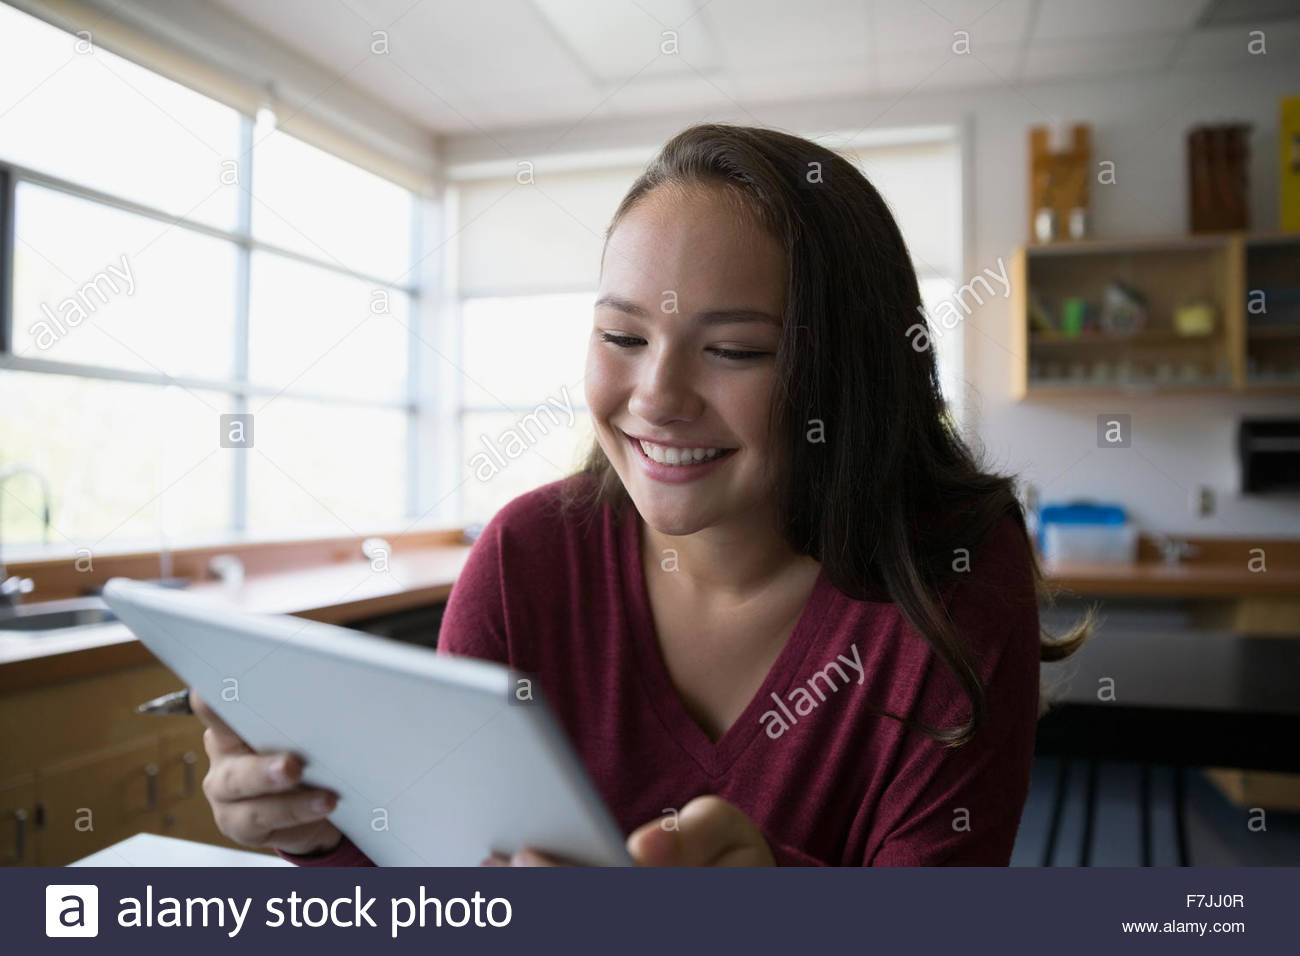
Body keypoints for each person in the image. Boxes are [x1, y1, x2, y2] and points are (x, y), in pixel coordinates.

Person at [193, 122, 1091, 867]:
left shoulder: (954, 575)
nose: (656, 398)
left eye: (735, 349)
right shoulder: (525, 559)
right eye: (622, 334)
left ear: (849, 374)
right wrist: (320, 829)